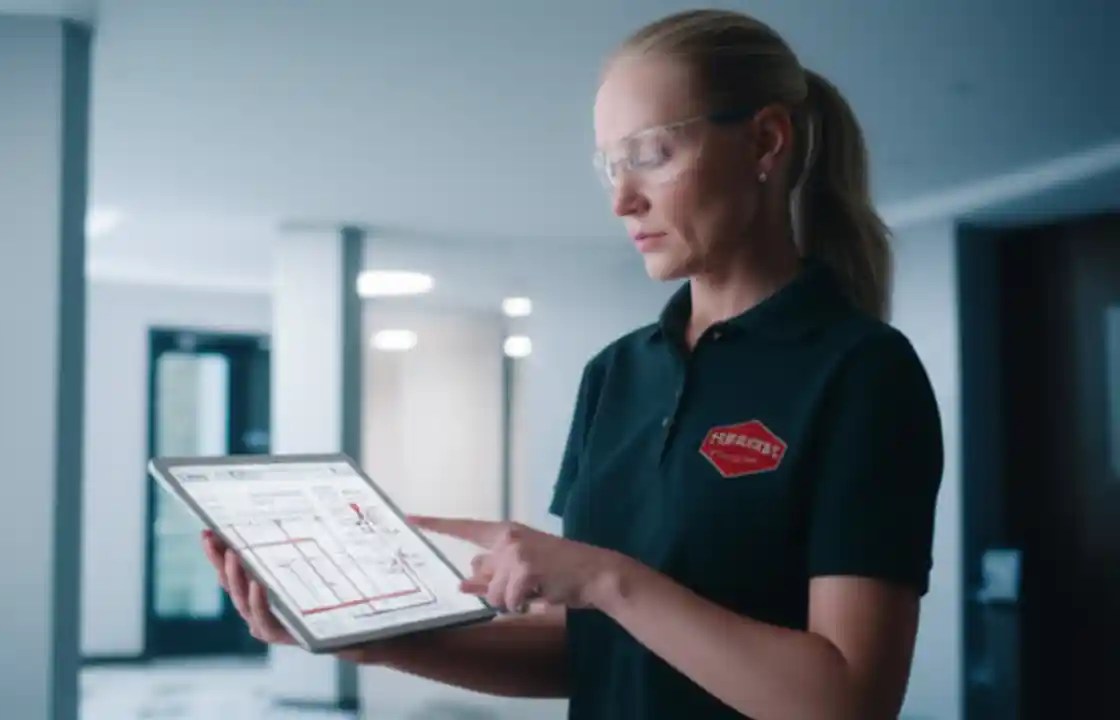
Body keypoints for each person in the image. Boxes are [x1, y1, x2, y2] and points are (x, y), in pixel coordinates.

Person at [201, 8, 943, 719]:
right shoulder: (615, 375)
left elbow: (847, 700)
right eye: (609, 166)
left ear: (764, 142)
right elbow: (587, 650)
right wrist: (374, 641)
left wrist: (602, 576)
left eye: (652, 154)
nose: (622, 199)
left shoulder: (862, 372)